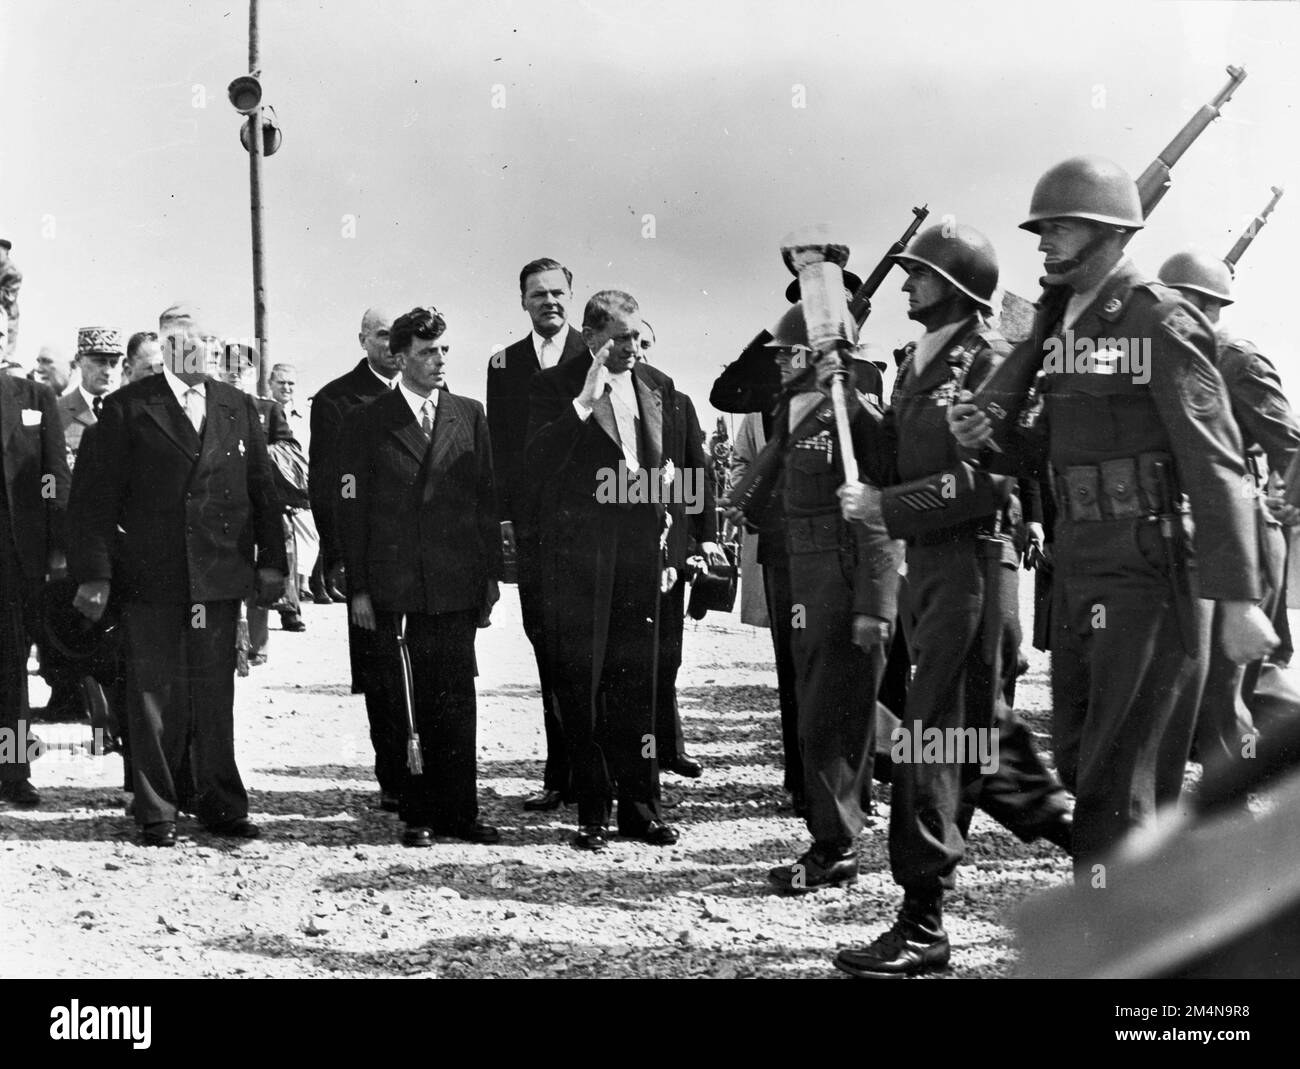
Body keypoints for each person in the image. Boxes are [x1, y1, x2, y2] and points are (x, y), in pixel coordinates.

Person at [947, 156, 1275, 874]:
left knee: (1115, 780)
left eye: (1056, 229)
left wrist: (1241, 597)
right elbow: (1051, 444)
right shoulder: (1066, 324)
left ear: (1104, 231)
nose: (1041, 244)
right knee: (1078, 754)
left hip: (1149, 566)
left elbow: (1214, 460)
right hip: (1082, 556)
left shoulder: (1159, 317)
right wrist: (990, 434)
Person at [833, 224, 1072, 978]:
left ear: (960, 288)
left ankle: (922, 922)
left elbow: (987, 482)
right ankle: (1082, 827)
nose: (905, 287)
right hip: (932, 574)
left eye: (920, 277)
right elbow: (898, 452)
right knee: (975, 735)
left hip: (973, 565)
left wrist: (884, 509)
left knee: (934, 742)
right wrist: (851, 399)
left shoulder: (992, 362)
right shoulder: (916, 364)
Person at [68, 305, 286, 847]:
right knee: (153, 697)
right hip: (152, 577)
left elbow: (262, 488)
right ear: (168, 350)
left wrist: (272, 562)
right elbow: (92, 506)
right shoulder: (125, 410)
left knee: (214, 695)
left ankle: (220, 804)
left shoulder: (236, 406)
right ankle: (157, 810)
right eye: (194, 342)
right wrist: (95, 576)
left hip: (217, 576)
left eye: (212, 341)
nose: (208, 351)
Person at [525, 289, 684, 850]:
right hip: (578, 556)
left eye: (639, 336)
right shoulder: (553, 387)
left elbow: (678, 467)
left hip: (639, 548)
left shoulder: (657, 387)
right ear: (591, 337)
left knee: (636, 678)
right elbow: (533, 467)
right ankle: (592, 812)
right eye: (620, 338)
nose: (633, 348)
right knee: (584, 682)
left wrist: (668, 498)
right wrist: (582, 405)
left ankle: (642, 808)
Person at [338, 306, 502, 846]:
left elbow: (484, 501)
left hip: (455, 583)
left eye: (445, 350)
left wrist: (489, 578)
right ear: (401, 356)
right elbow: (353, 511)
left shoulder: (468, 413)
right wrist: (359, 586)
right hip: (396, 584)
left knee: (456, 696)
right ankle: (419, 812)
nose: (439, 361)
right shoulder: (367, 420)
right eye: (429, 352)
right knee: (406, 698)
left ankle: (462, 810)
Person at [757, 314, 902, 895]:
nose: (777, 363)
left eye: (786, 353)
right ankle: (840, 829)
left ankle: (835, 848)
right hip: (805, 579)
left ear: (809, 354)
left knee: (833, 714)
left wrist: (875, 603)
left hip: (843, 580)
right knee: (826, 710)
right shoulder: (791, 412)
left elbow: (881, 509)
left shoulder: (852, 415)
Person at [1156, 249, 1300, 789]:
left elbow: (1289, 443)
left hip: (1240, 533)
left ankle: (1238, 821)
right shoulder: (1165, 354)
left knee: (1225, 695)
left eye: (1178, 300)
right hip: (1188, 534)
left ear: (1205, 305)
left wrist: (1285, 508)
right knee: (1184, 687)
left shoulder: (1235, 358)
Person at [486, 258, 587, 812]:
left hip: (589, 528)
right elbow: (500, 449)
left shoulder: (594, 354)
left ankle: (599, 772)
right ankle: (559, 772)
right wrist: (505, 520)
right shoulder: (504, 366)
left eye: (557, 292)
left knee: (593, 647)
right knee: (546, 643)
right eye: (537, 294)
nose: (549, 301)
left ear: (571, 296)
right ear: (522, 301)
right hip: (534, 529)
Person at [309, 308, 402, 811]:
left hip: (421, 559)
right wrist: (338, 553)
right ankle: (393, 778)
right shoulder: (336, 400)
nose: (391, 344)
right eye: (382, 335)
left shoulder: (430, 394)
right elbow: (326, 483)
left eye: (398, 335)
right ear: (363, 339)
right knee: (381, 671)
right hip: (367, 556)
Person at [0, 370, 69, 806]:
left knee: (9, 667)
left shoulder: (35, 397)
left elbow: (53, 474)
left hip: (13, 555)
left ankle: (12, 770)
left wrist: (57, 545)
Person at [269, 362, 319, 605]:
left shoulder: (305, 416)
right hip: (272, 481)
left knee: (310, 530)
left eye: (291, 383)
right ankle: (292, 592)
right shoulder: (264, 409)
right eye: (281, 383)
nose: (286, 387)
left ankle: (302, 582)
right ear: (270, 384)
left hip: (299, 481)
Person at [58, 327, 125, 468]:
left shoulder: (129, 411)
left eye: (113, 363)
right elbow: (47, 473)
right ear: (78, 361)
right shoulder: (57, 411)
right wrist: (49, 491)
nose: (107, 371)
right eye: (100, 362)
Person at [0, 236, 20, 359]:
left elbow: (8, 297)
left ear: (6, 251)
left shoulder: (13, 272)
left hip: (7, 316)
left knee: (4, 353)